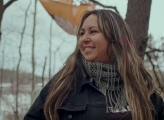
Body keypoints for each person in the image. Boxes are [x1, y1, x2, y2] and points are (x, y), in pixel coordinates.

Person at [24, 9, 164, 120]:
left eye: (93, 31)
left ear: (115, 38)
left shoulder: (142, 87)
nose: (84, 39)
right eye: (82, 33)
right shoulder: (64, 83)